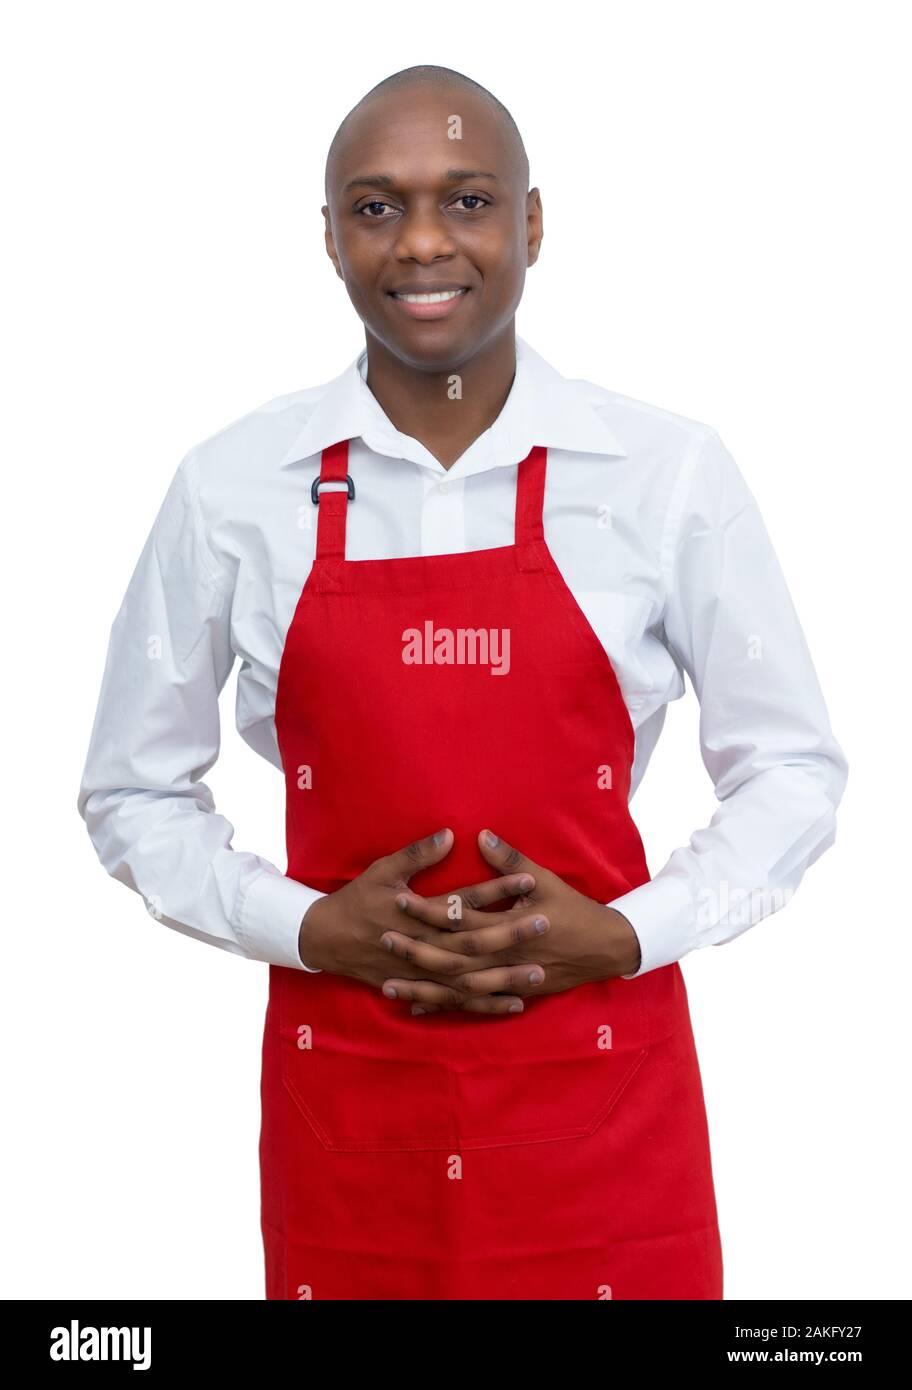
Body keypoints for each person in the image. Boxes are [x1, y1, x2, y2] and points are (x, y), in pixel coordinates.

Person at [77, 63, 849, 1300]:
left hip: (605, 1102)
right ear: (328, 238)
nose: (423, 241)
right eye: (376, 207)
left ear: (533, 223)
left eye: (469, 199)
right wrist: (306, 925)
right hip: (352, 1107)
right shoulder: (234, 487)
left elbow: (794, 769)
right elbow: (132, 790)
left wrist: (632, 933)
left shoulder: (663, 474)